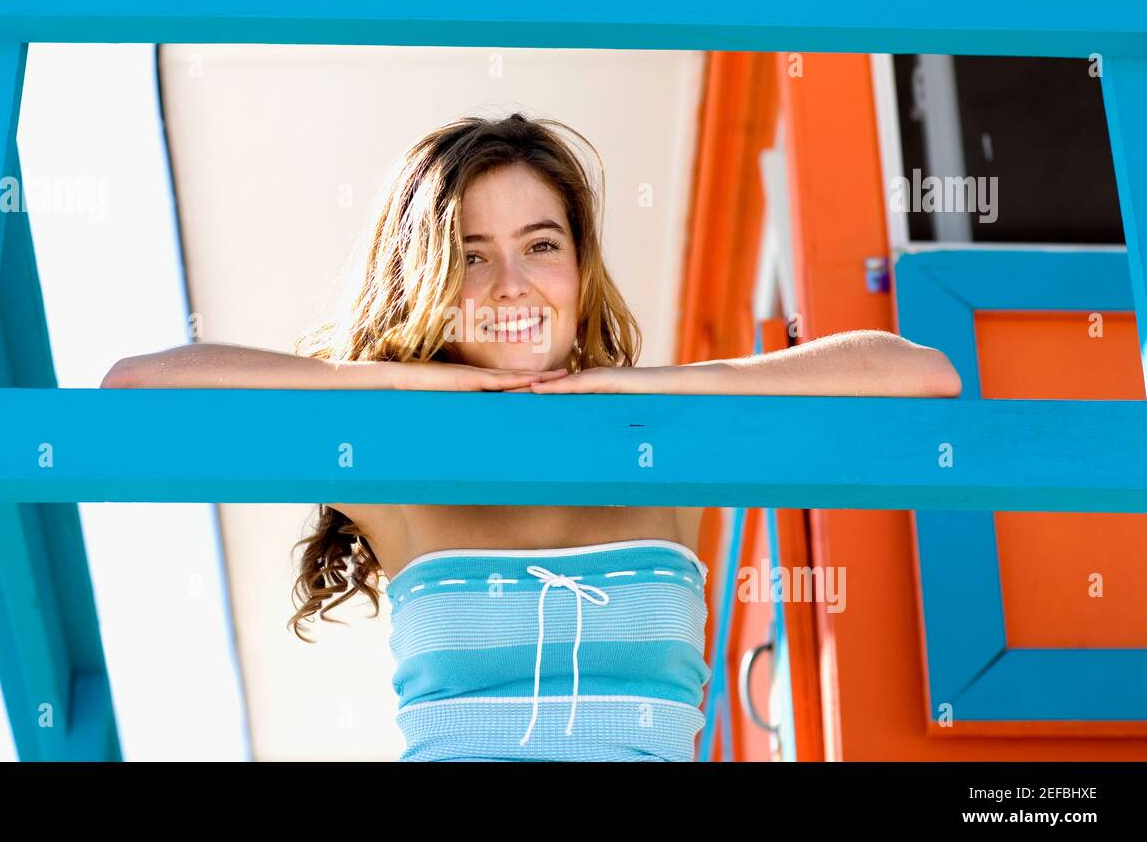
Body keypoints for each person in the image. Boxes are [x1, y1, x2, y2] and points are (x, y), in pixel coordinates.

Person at [101, 112, 961, 760]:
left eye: (540, 245)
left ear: (581, 268)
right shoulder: (396, 478)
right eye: (470, 256)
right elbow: (140, 387)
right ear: (427, 278)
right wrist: (406, 373)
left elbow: (920, 376)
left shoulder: (678, 446)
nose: (510, 285)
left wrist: (653, 382)